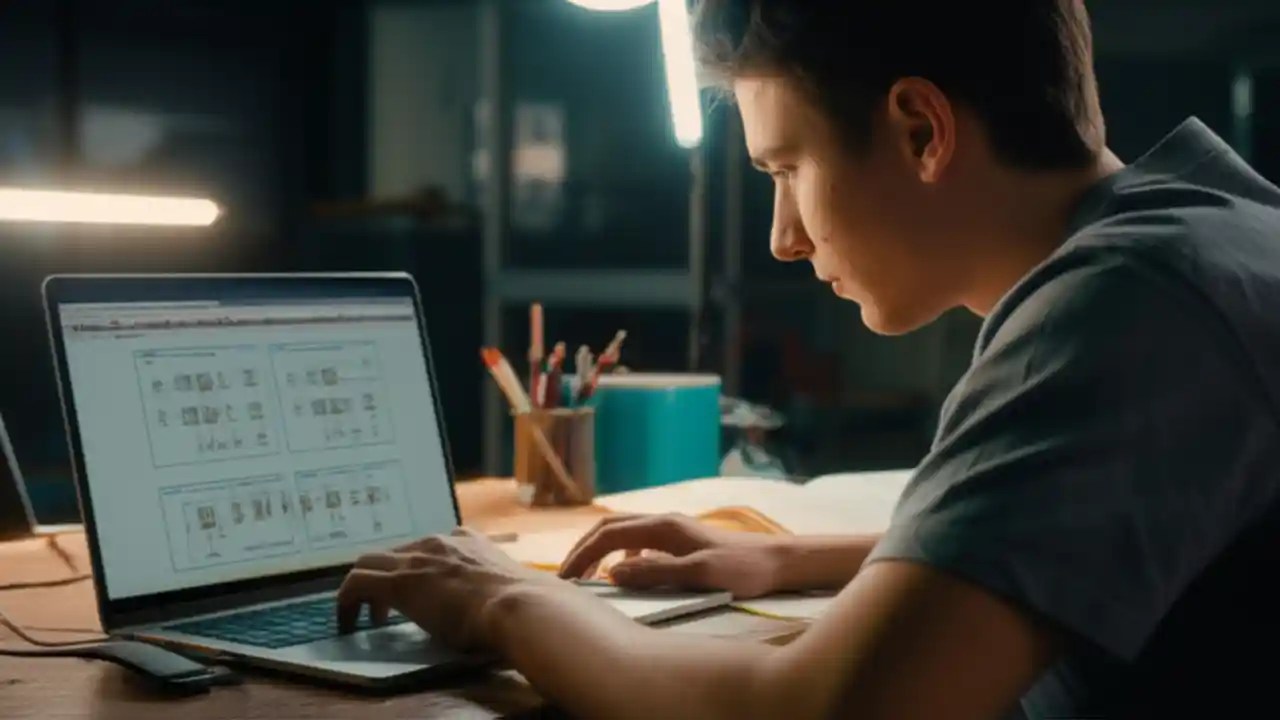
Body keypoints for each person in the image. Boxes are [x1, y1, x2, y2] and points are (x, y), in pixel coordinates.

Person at [336, 1, 1280, 718]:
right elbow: (1123, 536)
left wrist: (502, 602)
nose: (784, 237)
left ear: (921, 131)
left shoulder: (1126, 305)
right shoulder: (1216, 235)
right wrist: (790, 557)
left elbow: (828, 709)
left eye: (787, 170)